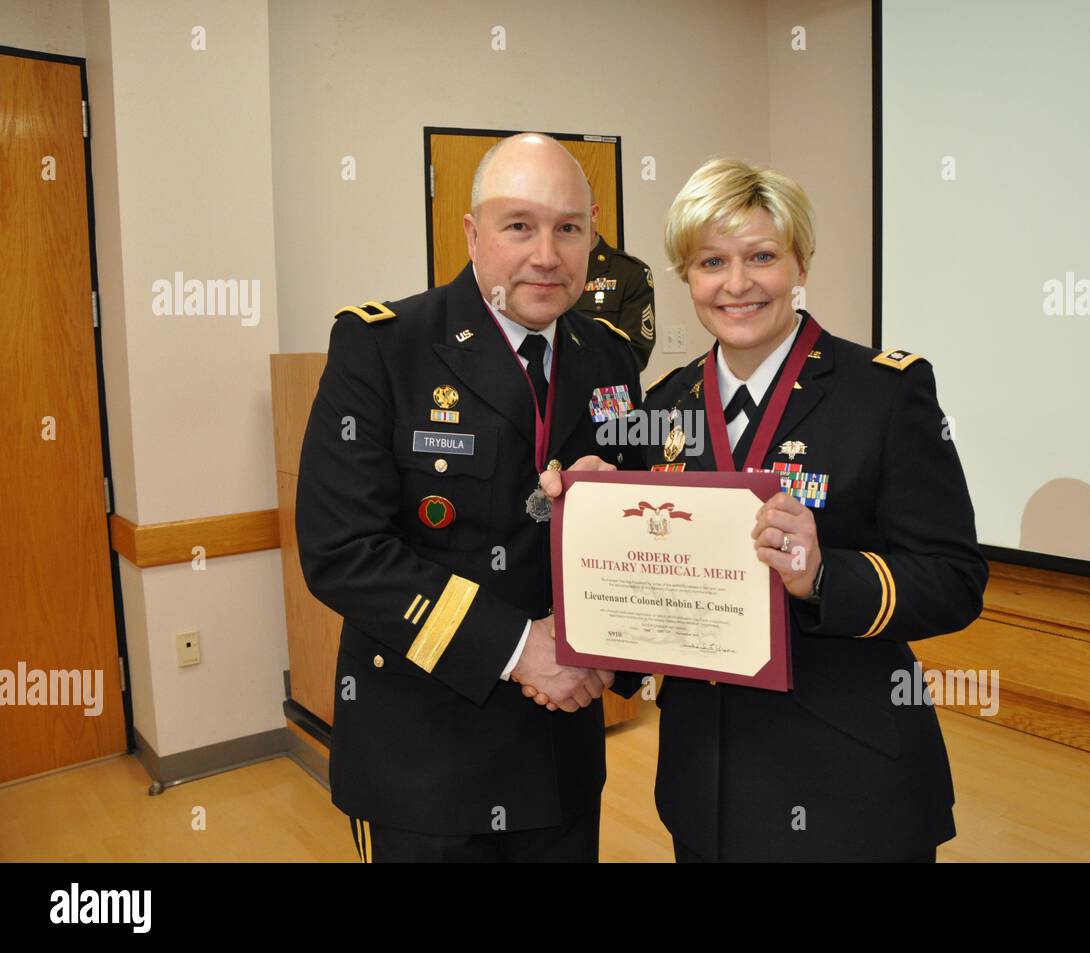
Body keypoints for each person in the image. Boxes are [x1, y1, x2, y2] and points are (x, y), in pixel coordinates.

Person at [528, 157, 987, 862]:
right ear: (688, 274)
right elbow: (657, 585)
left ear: (799, 261)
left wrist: (824, 576)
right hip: (705, 783)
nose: (737, 284)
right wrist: (597, 516)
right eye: (712, 261)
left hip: (851, 788)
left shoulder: (884, 394)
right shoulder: (665, 405)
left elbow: (954, 579)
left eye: (762, 256)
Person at [295, 133, 641, 862]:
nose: (546, 253)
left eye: (569, 227)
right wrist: (519, 649)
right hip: (428, 764)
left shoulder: (608, 357)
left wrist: (611, 653)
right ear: (471, 233)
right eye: (519, 225)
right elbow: (344, 553)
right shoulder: (383, 348)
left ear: (592, 233)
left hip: (562, 751)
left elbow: (629, 532)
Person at [574, 229, 657, 370]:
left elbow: (635, 353)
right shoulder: (548, 268)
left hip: (601, 387)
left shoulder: (629, 271)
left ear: (593, 213)